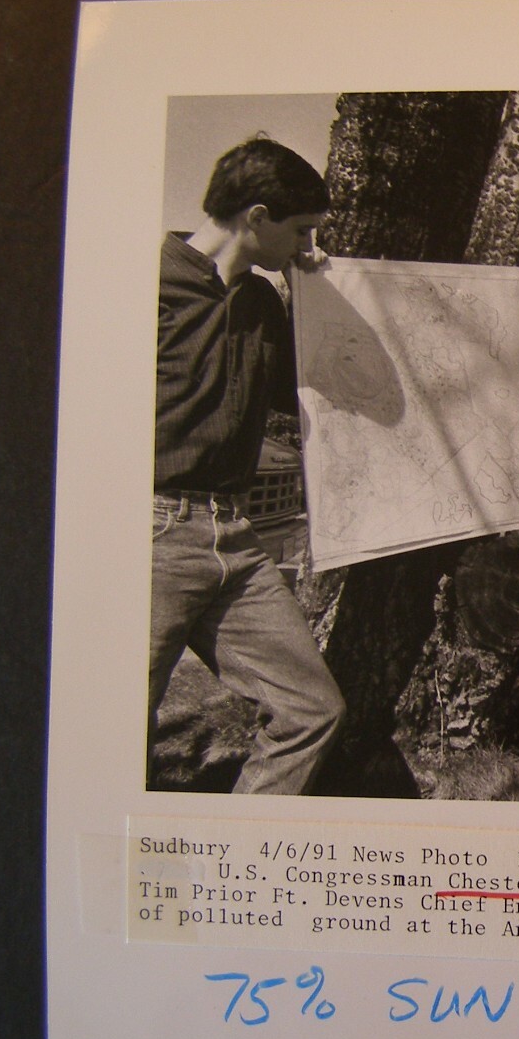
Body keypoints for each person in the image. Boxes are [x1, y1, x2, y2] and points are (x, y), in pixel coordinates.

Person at [150, 136, 344, 794]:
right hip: (152, 532)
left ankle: (239, 845)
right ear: (257, 217)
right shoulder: (147, 285)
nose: (309, 245)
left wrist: (308, 288)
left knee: (311, 710)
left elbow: (306, 389)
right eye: (302, 231)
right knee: (114, 725)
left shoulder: (261, 302)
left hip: (236, 537)